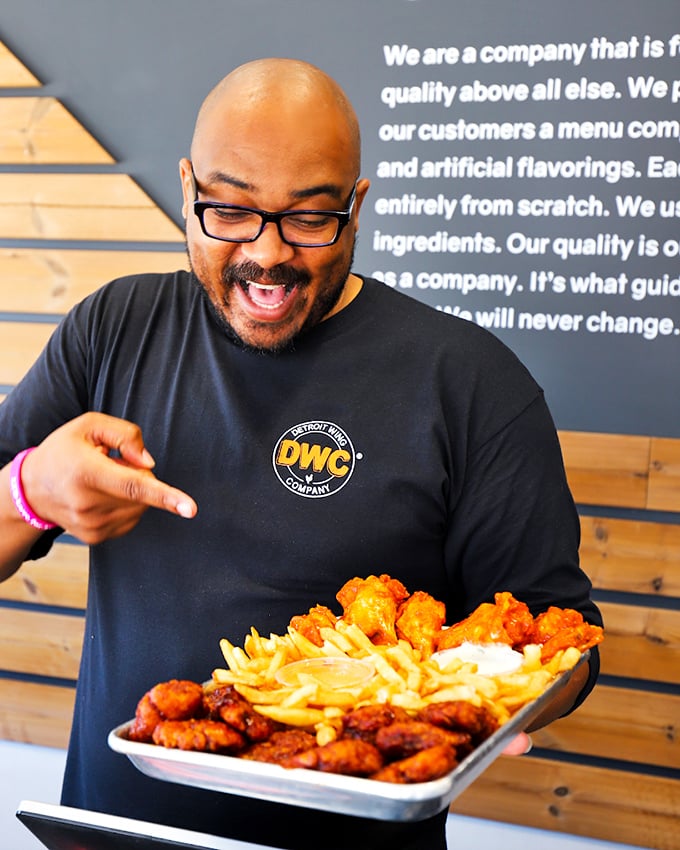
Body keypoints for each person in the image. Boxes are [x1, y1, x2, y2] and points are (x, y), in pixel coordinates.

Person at [0, 58, 601, 850]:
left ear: (356, 205)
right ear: (187, 189)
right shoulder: (113, 330)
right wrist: (28, 491)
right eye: (230, 210)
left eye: (310, 218)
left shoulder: (471, 381)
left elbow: (568, 638)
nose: (267, 255)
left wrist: (502, 703)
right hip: (113, 831)